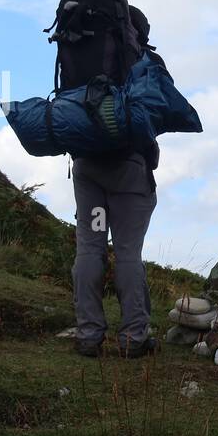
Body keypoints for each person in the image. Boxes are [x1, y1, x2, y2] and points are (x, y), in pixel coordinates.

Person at [71, 137, 160, 359]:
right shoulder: (133, 101)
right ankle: (133, 339)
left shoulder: (83, 102)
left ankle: (88, 336)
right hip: (129, 171)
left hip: (87, 170)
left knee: (90, 249)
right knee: (127, 254)